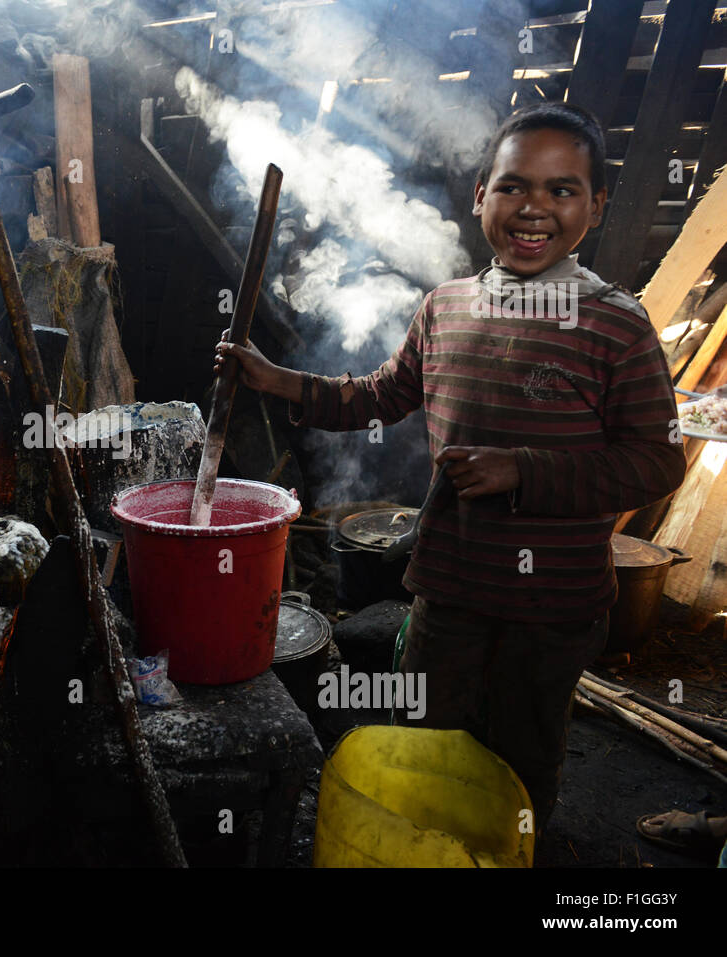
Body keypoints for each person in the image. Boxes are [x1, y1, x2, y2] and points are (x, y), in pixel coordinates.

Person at [216, 102, 686, 831]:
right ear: (480, 196)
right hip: (449, 588)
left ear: (595, 204)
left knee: (520, 763)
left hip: (553, 606)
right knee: (424, 747)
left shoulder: (615, 325)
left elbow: (656, 462)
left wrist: (524, 470)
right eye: (512, 185)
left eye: (562, 190)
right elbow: (378, 394)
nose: (533, 207)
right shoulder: (446, 308)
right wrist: (280, 381)